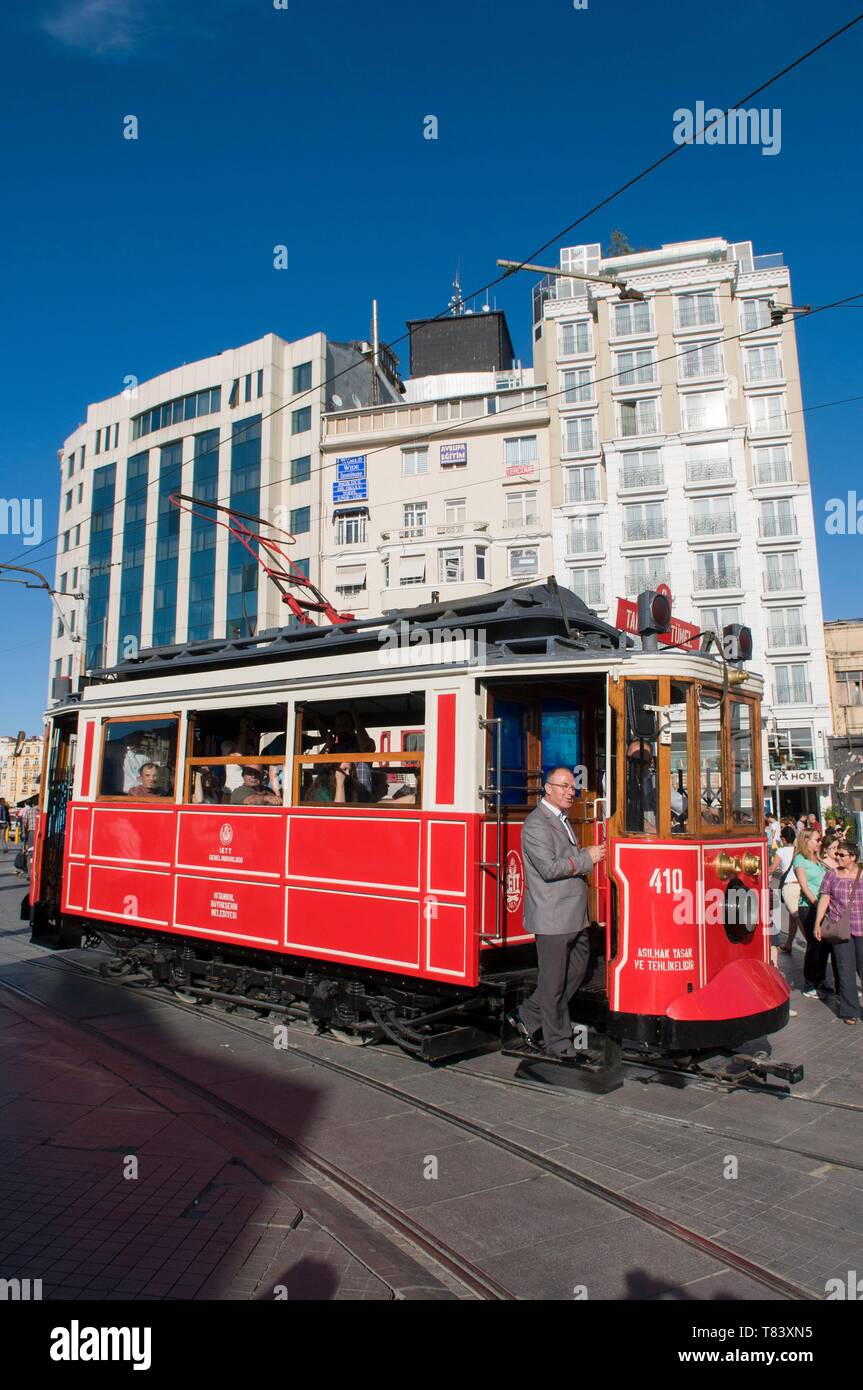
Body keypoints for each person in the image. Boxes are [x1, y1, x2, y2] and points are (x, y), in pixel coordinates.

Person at [506, 766, 605, 1060]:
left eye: (572, 787)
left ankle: (527, 1014)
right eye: (563, 786)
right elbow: (549, 869)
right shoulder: (536, 824)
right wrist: (586, 858)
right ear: (547, 789)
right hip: (553, 917)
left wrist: (581, 856)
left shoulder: (561, 820)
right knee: (553, 983)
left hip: (574, 916)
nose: (570, 792)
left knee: (575, 972)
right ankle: (559, 1044)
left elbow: (564, 860)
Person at [815, 841, 863, 1025]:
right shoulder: (831, 875)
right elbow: (825, 898)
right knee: (845, 969)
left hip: (861, 926)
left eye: (842, 854)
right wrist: (817, 923)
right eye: (837, 854)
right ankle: (849, 1010)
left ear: (853, 857)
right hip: (840, 928)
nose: (838, 857)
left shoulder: (861, 874)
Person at [793, 827, 829, 998]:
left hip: (824, 906)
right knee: (814, 945)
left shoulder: (819, 859)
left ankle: (820, 980)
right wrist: (817, 903)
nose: (819, 842)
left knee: (824, 946)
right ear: (806, 840)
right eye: (817, 839)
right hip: (809, 907)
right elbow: (804, 886)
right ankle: (809, 985)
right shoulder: (800, 860)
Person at [771, 825, 799, 960]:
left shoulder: (781, 851)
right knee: (793, 917)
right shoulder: (798, 850)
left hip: (789, 887)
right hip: (800, 885)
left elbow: (772, 869)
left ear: (783, 838)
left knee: (796, 917)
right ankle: (788, 943)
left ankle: (814, 944)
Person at [626, 739, 656, 833]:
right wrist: (648, 827)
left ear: (650, 761)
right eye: (633, 760)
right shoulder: (615, 780)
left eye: (643, 761)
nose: (637, 765)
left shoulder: (658, 781)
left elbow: (681, 805)